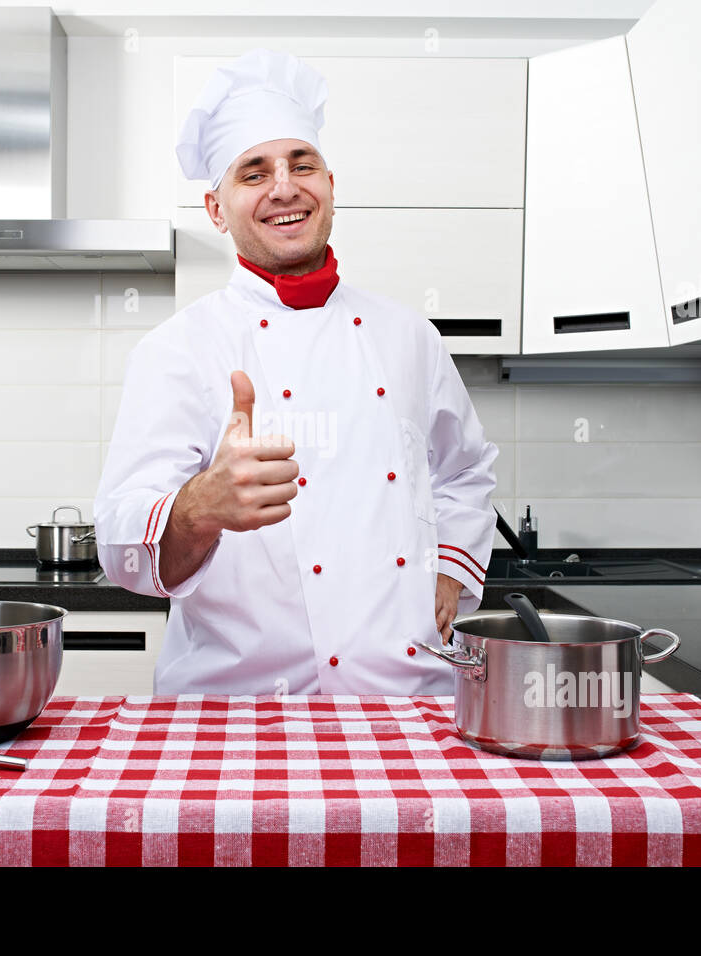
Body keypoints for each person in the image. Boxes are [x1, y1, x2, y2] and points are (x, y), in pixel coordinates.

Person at [93, 48, 498, 695]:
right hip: (237, 711)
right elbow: (118, 541)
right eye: (253, 172)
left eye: (300, 164)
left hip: (407, 700)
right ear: (216, 209)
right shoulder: (178, 349)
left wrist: (449, 572)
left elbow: (465, 473)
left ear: (330, 185)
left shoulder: (409, 337)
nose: (284, 186)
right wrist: (198, 508)